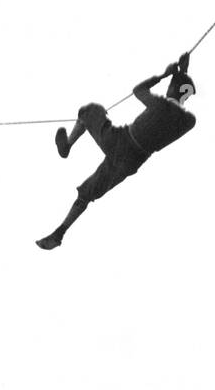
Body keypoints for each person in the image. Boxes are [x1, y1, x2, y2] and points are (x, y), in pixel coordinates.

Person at [36, 53, 196, 250]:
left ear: (171, 89)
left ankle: (67, 145)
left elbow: (138, 90)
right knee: (87, 194)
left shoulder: (160, 104)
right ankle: (59, 234)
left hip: (119, 141)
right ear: (186, 95)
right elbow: (179, 95)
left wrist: (163, 75)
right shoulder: (188, 122)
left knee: (90, 110)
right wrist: (181, 74)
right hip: (131, 162)